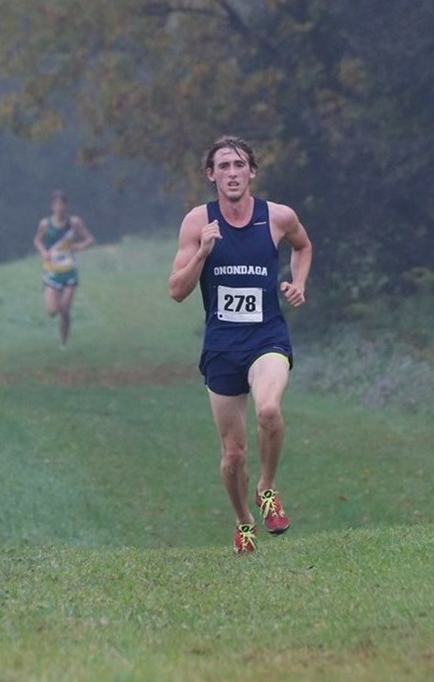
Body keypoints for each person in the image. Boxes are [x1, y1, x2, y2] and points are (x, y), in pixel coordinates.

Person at [168, 135, 313, 555]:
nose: (232, 173)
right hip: (222, 346)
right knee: (233, 454)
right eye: (223, 166)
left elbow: (303, 246)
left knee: (268, 409)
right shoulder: (197, 222)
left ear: (252, 172)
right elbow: (176, 291)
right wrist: (202, 253)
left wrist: (299, 283)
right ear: (210, 175)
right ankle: (243, 521)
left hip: (267, 337)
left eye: (239, 165)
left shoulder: (278, 216)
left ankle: (267, 488)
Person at [33, 189, 96, 347]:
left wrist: (79, 246)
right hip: (52, 270)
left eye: (62, 204)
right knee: (52, 311)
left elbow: (90, 239)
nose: (59, 208)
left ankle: (63, 342)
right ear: (52, 206)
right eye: (56, 205)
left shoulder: (74, 222)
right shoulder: (45, 224)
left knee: (65, 308)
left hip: (69, 271)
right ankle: (53, 298)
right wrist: (43, 252)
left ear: (66, 206)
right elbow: (37, 240)